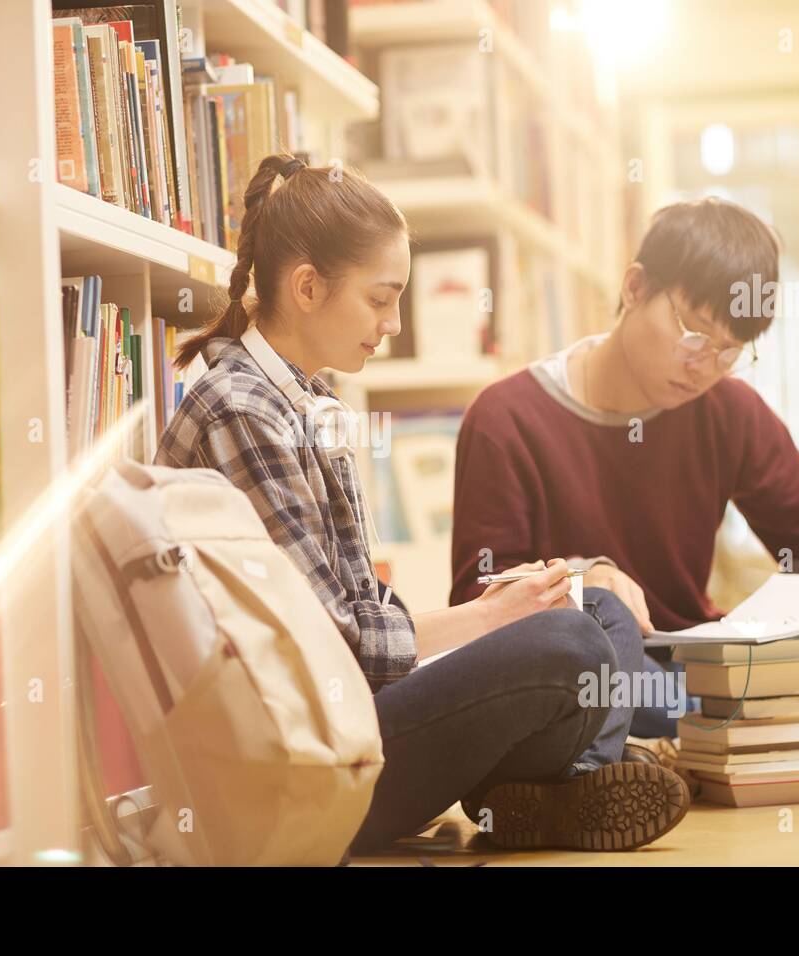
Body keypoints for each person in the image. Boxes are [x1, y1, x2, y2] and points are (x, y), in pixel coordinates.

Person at [154, 154, 691, 854]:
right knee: (572, 641)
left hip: (354, 716)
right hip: (311, 764)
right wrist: (490, 617)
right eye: (380, 299)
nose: (395, 323)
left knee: (596, 608)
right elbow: (335, 642)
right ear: (308, 288)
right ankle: (580, 781)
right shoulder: (242, 411)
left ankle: (550, 794)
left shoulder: (308, 400)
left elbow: (357, 606)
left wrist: (507, 609)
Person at [449, 197, 799, 737]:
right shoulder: (506, 418)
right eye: (694, 335)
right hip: (602, 667)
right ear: (635, 287)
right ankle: (757, 729)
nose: (704, 368)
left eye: (729, 351)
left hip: (698, 663)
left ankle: (698, 736)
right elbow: (476, 602)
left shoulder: (729, 411)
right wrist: (579, 581)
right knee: (593, 667)